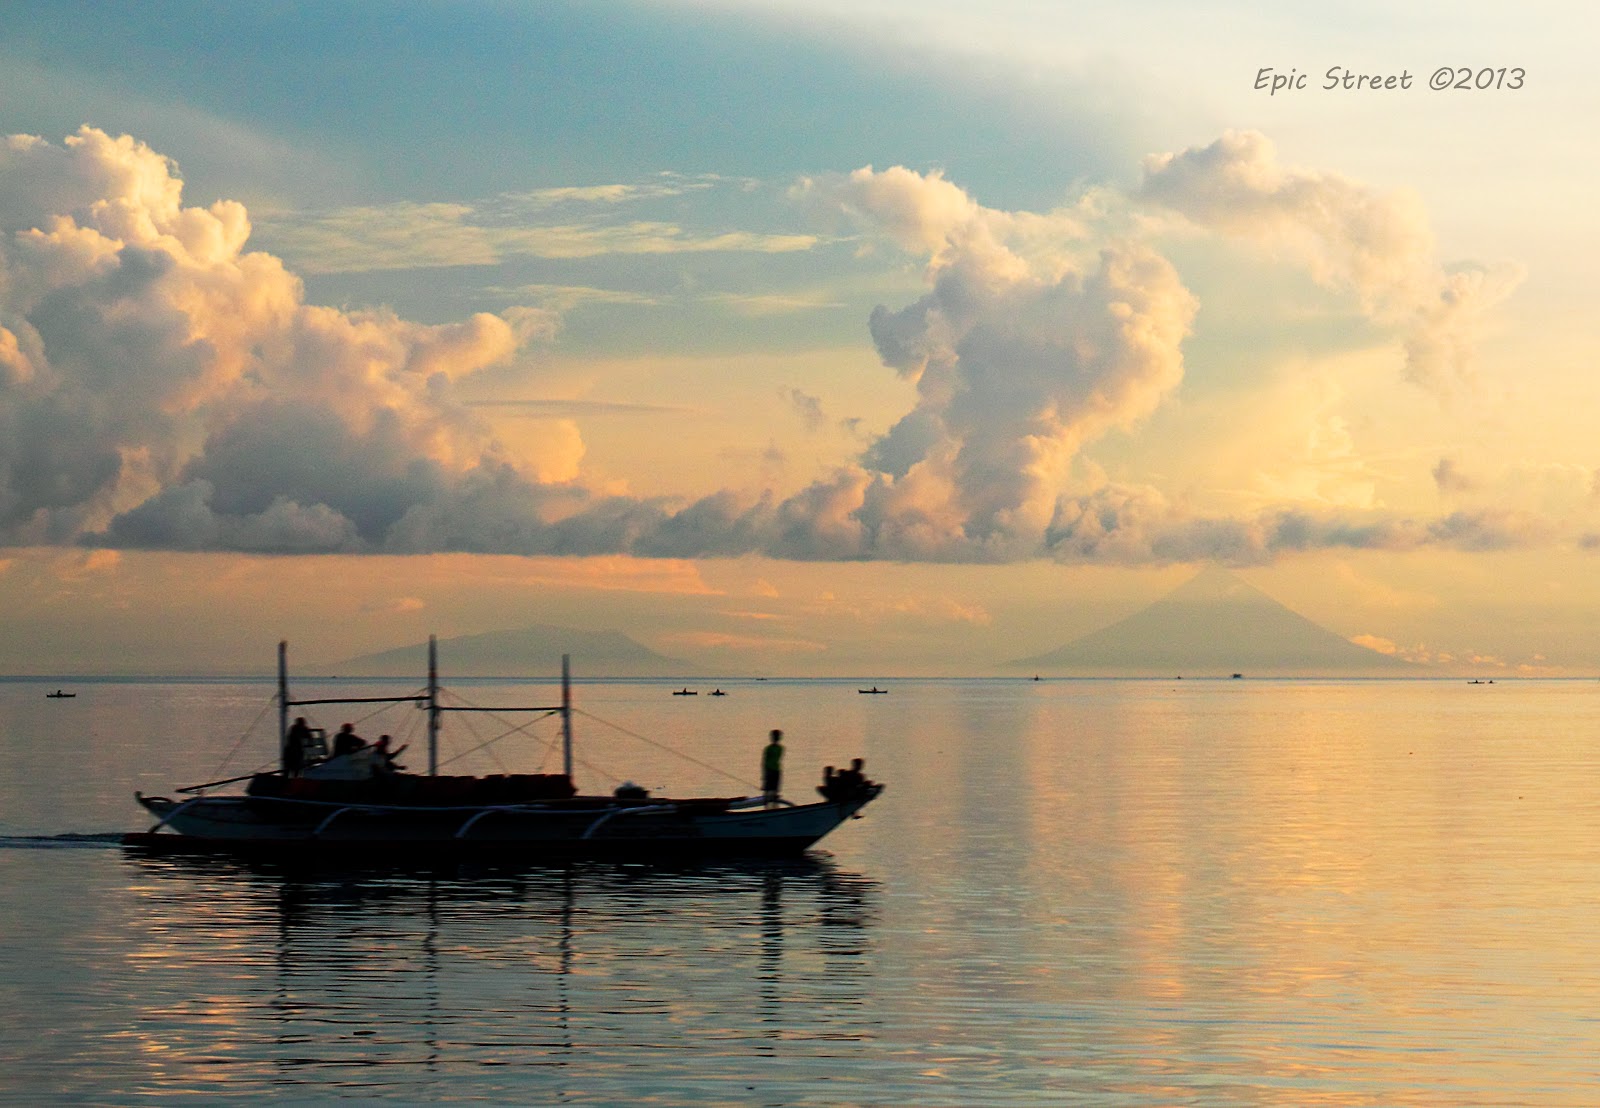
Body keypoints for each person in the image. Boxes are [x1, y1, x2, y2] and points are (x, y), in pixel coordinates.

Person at [761, 729, 784, 805]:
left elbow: (765, 762)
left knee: (774, 790)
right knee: (768, 791)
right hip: (770, 770)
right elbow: (764, 762)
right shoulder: (769, 749)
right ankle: (766, 806)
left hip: (776, 770)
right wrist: (764, 775)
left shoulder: (780, 748)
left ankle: (774, 805)